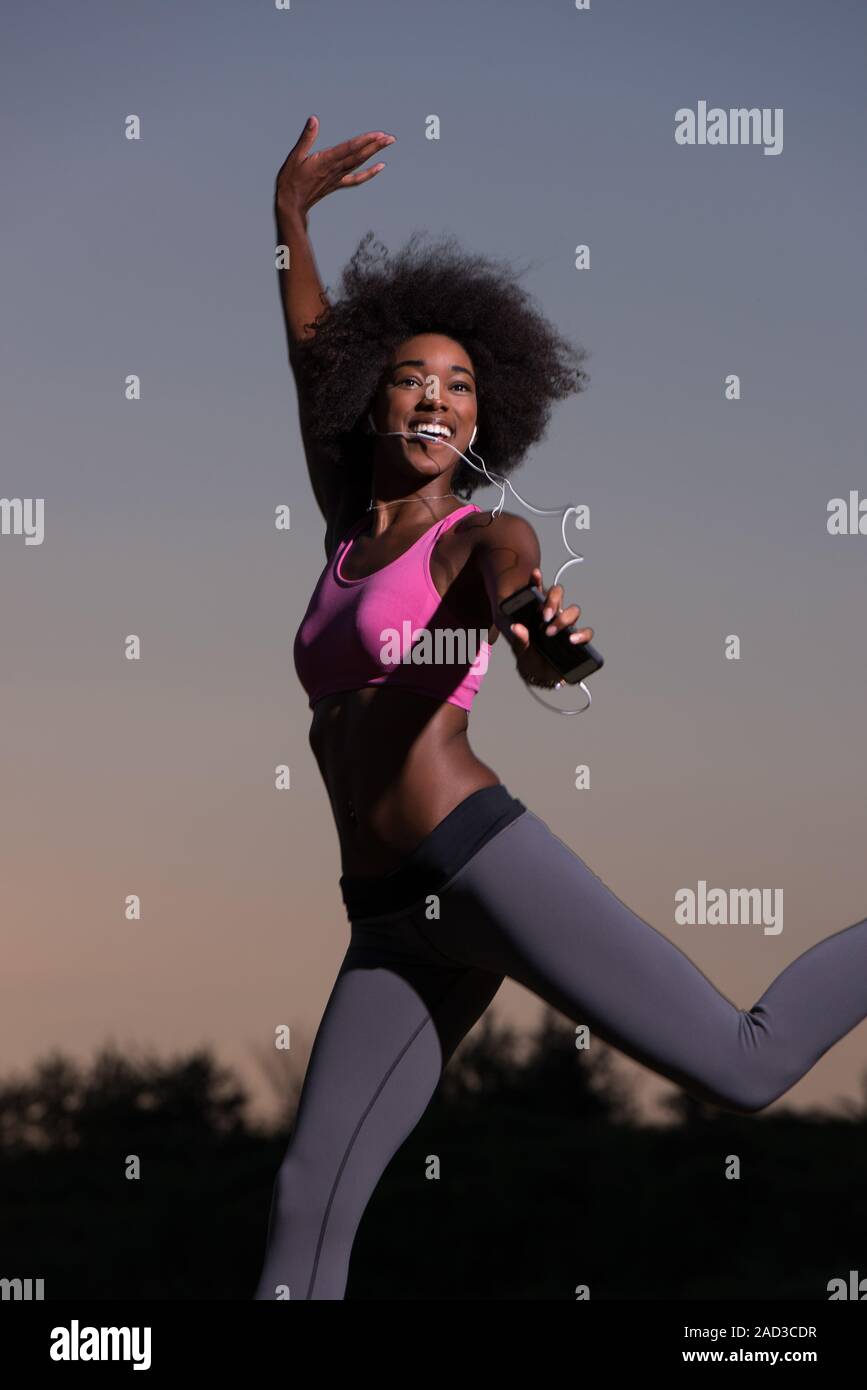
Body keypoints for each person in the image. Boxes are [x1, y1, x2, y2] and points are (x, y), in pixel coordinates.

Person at [254, 117, 867, 1300]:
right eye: (413, 378)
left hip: (474, 860)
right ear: (370, 399)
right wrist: (287, 218)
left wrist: (536, 635)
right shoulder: (348, 524)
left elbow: (514, 589)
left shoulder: (477, 532)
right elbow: (303, 350)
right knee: (306, 1195)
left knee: (746, 1065)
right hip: (386, 916)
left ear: (482, 423)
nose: (436, 398)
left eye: (461, 388)